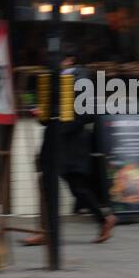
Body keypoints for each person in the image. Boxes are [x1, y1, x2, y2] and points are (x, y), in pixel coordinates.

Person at [21, 48, 116, 246]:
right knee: (47, 183)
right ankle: (46, 230)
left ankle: (104, 219)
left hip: (72, 142)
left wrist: (63, 127)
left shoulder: (81, 79)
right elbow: (47, 117)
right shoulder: (51, 79)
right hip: (53, 140)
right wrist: (42, 114)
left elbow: (88, 114)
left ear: (69, 60)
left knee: (77, 186)